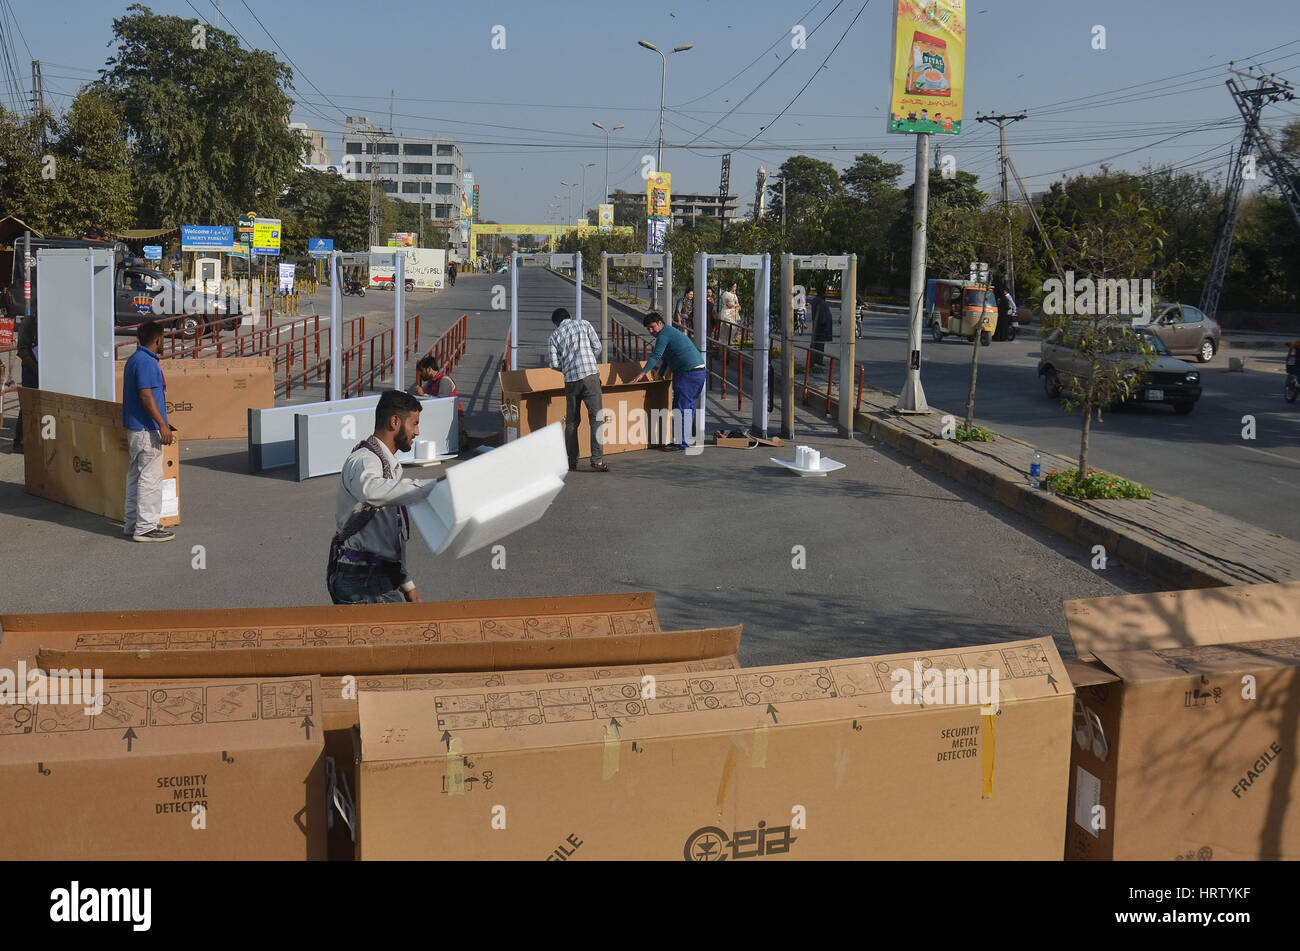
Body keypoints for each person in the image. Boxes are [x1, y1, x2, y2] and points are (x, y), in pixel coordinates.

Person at [329, 390, 437, 604]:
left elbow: (386, 538)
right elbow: (371, 490)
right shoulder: (364, 460)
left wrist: (408, 587)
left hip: (373, 576)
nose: (417, 431)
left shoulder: (387, 466)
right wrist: (433, 486)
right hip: (361, 580)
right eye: (414, 423)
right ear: (395, 422)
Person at [122, 321, 178, 542]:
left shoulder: (135, 359)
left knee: (135, 476)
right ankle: (145, 527)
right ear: (158, 339)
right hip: (147, 429)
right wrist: (162, 424)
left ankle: (132, 522)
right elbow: (146, 396)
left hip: (136, 427)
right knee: (150, 478)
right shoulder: (146, 362)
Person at [632, 312, 706, 452]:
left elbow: (656, 356)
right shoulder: (670, 333)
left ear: (660, 323)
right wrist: (659, 374)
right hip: (698, 372)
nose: (651, 331)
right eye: (648, 328)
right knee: (688, 407)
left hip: (687, 373)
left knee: (680, 408)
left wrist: (642, 373)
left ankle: (681, 443)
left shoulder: (664, 335)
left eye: (653, 327)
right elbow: (667, 358)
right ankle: (685, 439)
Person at [547, 306, 608, 472]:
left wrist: (568, 368)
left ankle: (572, 460)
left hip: (571, 381)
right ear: (570, 316)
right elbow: (598, 347)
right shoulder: (584, 324)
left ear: (556, 324)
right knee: (596, 418)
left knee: (572, 421)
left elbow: (554, 364)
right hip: (590, 376)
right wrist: (588, 361)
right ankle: (597, 460)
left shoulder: (554, 336)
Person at [12, 310, 37, 454]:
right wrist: (35, 368)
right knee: (27, 406)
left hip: (41, 369)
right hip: (30, 370)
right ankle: (19, 442)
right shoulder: (28, 322)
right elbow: (22, 349)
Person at [810, 289, 833, 368]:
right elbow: (823, 317)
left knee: (817, 344)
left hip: (818, 327)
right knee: (820, 345)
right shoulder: (821, 303)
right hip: (822, 328)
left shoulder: (816, 301)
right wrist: (825, 326)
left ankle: (815, 360)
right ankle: (818, 360)